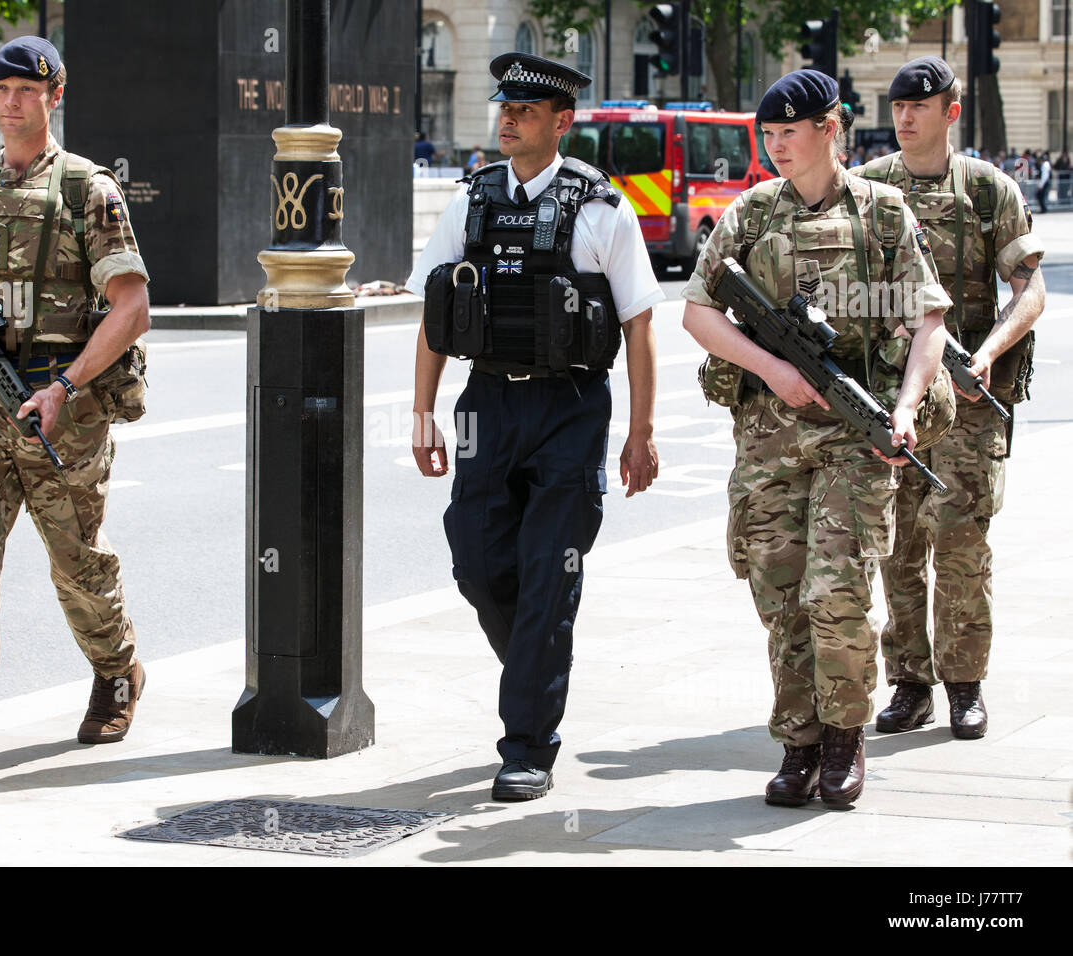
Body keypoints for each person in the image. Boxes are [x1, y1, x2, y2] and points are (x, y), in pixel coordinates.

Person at [682, 69, 950, 808]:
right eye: (768, 136)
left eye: (789, 135)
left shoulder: (884, 214)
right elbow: (698, 313)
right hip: (769, 441)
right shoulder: (752, 213)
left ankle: (843, 737)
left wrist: (903, 407)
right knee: (778, 595)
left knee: (836, 592)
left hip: (851, 442)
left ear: (830, 130)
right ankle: (797, 743)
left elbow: (930, 323)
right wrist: (770, 367)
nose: (776, 149)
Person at [407, 53, 664, 801]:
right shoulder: (470, 202)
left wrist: (640, 433)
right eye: (505, 107)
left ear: (562, 121)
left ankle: (526, 745)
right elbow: (433, 316)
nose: (508, 117)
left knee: (551, 575)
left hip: (571, 410)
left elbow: (640, 326)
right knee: (478, 564)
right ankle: (533, 664)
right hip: (487, 402)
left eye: (525, 109)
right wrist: (421, 410)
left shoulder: (602, 209)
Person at [0, 35, 151, 781]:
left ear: (54, 96)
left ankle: (117, 670)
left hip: (61, 411)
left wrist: (66, 386)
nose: (12, 104)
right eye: (1, 91)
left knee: (76, 564)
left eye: (27, 91)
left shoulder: (87, 190)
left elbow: (132, 307)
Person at [853, 57, 1045, 741]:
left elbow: (1031, 289)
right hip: (896, 392)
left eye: (920, 106)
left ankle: (966, 683)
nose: (904, 117)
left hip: (967, 395)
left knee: (962, 544)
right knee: (897, 543)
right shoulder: (868, 187)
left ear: (950, 111)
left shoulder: (989, 190)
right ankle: (910, 682)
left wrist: (990, 352)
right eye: (899, 105)